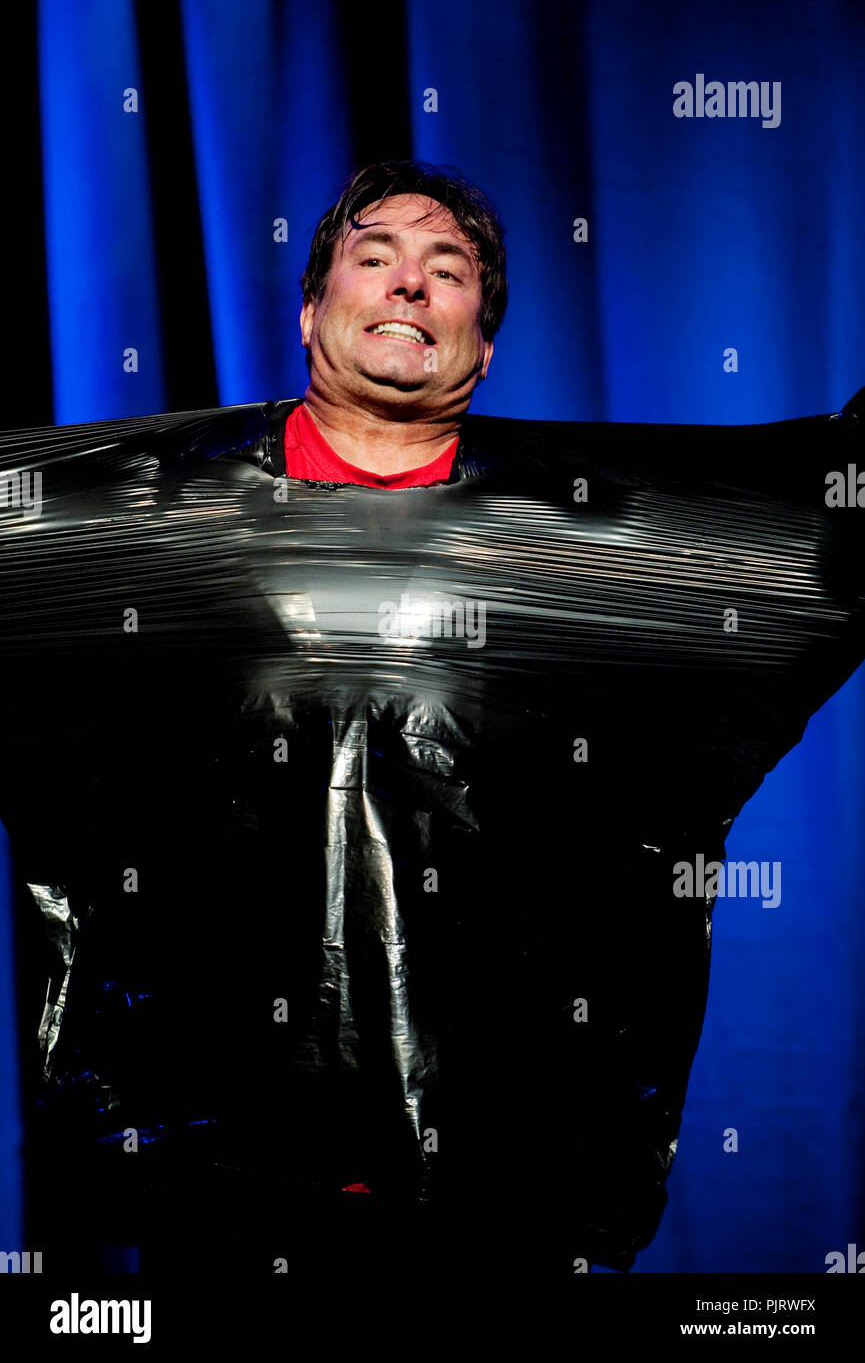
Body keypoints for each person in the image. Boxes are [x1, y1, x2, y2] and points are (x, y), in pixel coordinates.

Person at [5, 161, 865, 1283]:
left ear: (483, 343)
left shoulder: (586, 552)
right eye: (376, 259)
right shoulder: (156, 528)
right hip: (224, 1190)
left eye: (445, 271)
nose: (410, 286)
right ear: (312, 312)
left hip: (502, 1196)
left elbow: (824, 511)